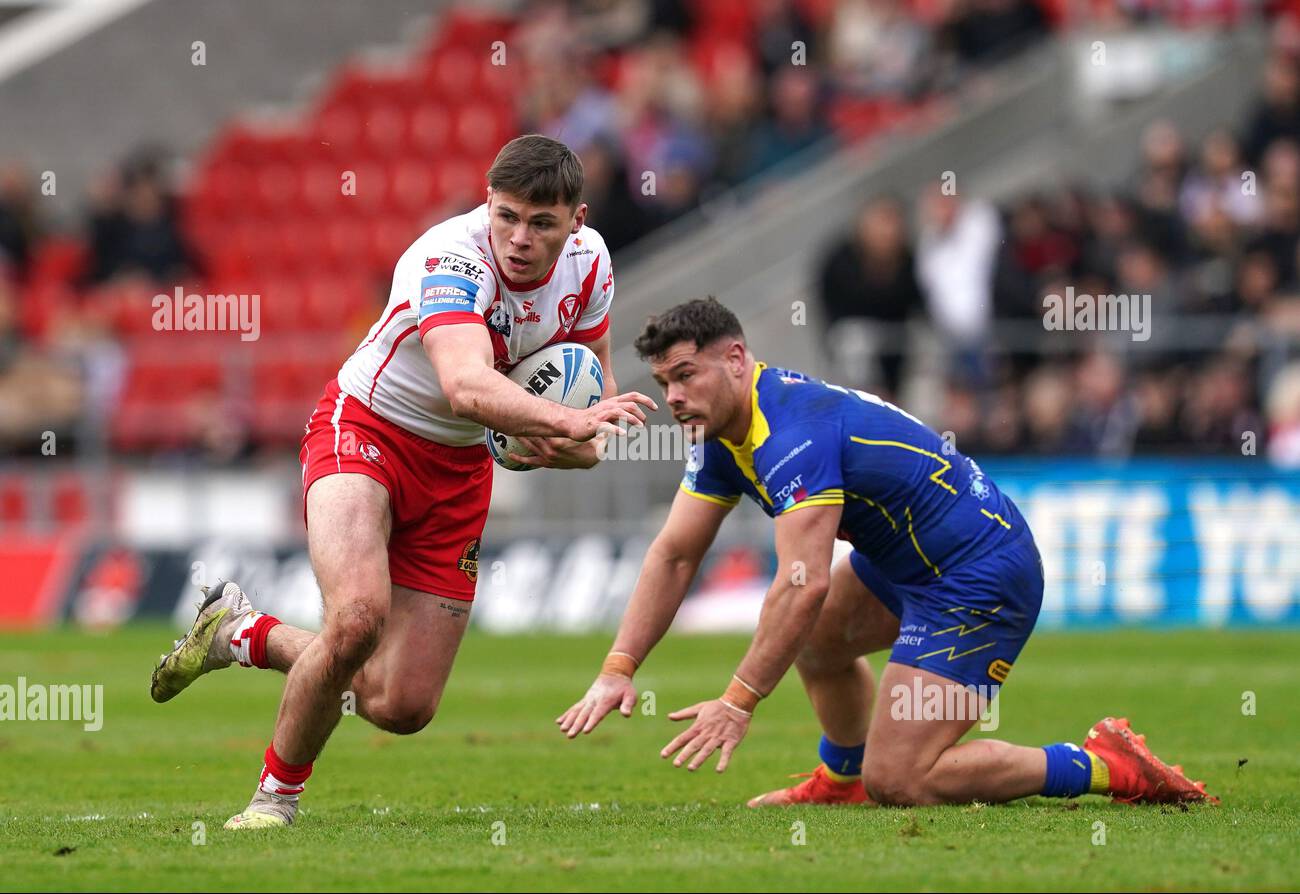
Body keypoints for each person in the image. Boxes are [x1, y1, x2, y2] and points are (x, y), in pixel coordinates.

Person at [150, 135, 655, 829]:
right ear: (488, 204)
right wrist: (562, 424)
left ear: (578, 220)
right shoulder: (449, 256)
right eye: (507, 215)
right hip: (366, 431)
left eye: (542, 223)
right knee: (356, 620)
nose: (519, 238)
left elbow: (590, 383)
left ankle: (241, 631)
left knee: (400, 705)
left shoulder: (591, 266)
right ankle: (275, 799)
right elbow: (465, 385)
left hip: (459, 469)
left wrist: (579, 439)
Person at [558, 297, 1216, 809]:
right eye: (664, 381)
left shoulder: (790, 433)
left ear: (735, 359)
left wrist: (737, 701)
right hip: (907, 566)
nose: (673, 396)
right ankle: (842, 778)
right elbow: (675, 555)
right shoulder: (724, 434)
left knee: (901, 779)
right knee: (815, 639)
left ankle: (1106, 764)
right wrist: (619, 666)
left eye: (685, 376)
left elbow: (803, 581)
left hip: (980, 577)